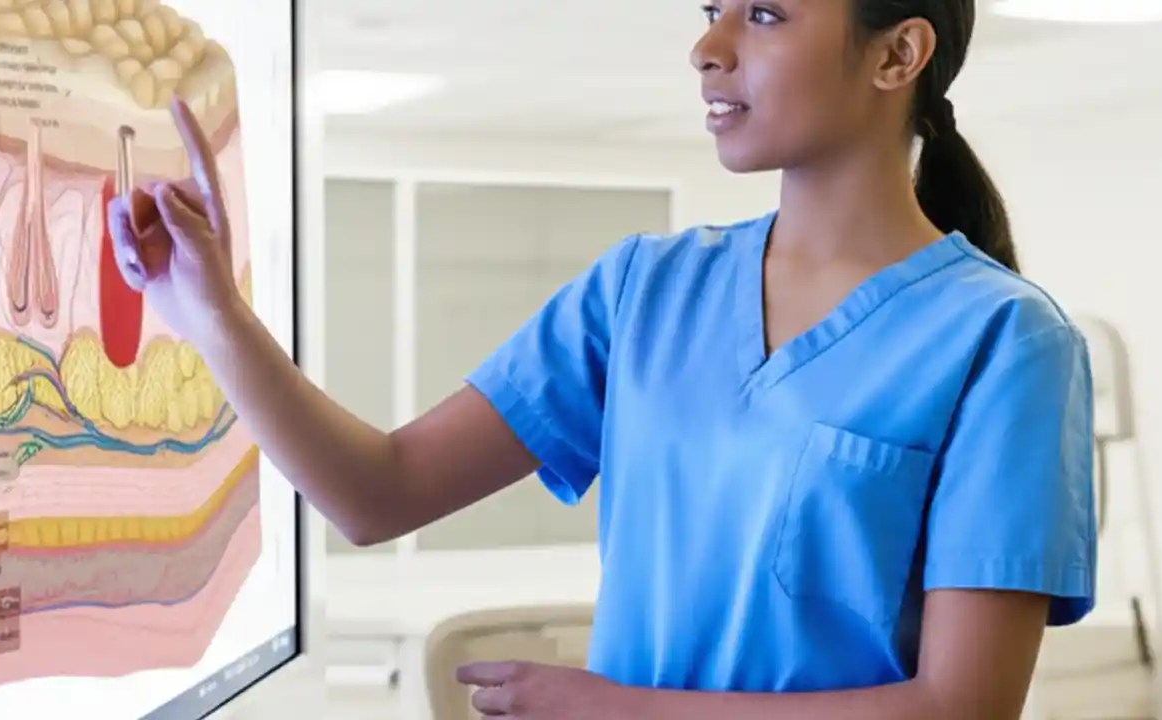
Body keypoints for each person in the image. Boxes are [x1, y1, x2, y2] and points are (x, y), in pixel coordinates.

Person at [109, 0, 1096, 717]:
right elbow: (376, 492)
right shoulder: (639, 291)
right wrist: (209, 314)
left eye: (761, 15)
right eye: (712, 12)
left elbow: (961, 708)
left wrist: (626, 710)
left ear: (898, 55)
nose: (705, 49)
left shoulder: (1001, 342)